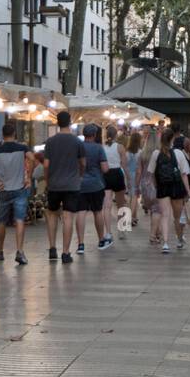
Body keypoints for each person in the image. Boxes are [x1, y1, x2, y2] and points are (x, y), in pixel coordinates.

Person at [0, 120, 34, 264]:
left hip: (4, 190)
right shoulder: (22, 148)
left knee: (1, 221)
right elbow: (32, 158)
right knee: (19, 220)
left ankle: (0, 251)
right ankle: (20, 251)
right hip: (19, 189)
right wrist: (28, 177)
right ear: (14, 134)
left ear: (3, 134)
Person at [42, 110, 84, 264]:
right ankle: (66, 253)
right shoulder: (77, 142)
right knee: (68, 217)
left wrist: (47, 180)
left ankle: (52, 249)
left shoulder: (50, 142)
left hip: (54, 184)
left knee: (52, 214)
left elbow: (46, 165)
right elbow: (83, 162)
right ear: (70, 122)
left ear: (57, 123)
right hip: (72, 185)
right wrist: (80, 175)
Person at [147, 128, 190, 253]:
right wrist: (188, 191)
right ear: (173, 139)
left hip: (162, 187)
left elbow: (151, 173)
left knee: (165, 215)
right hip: (176, 187)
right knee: (177, 217)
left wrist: (156, 186)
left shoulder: (156, 153)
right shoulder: (178, 153)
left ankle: (165, 243)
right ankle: (179, 240)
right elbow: (184, 174)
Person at [77, 123, 110, 252]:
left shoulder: (78, 147)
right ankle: (101, 240)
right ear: (95, 135)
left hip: (80, 185)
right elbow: (105, 168)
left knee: (81, 212)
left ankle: (80, 244)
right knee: (97, 212)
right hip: (96, 184)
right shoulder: (98, 148)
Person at [101, 124, 127, 244]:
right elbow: (124, 164)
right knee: (121, 203)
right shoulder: (120, 147)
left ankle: (108, 232)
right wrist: (128, 180)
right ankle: (122, 229)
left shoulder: (102, 147)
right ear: (116, 135)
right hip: (117, 174)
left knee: (107, 206)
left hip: (106, 175)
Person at [123, 132, 143, 227]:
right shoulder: (140, 152)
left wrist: (127, 177)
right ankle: (132, 218)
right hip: (137, 176)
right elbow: (140, 168)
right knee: (135, 197)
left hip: (129, 175)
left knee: (131, 197)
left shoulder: (127, 152)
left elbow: (124, 166)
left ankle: (134, 216)